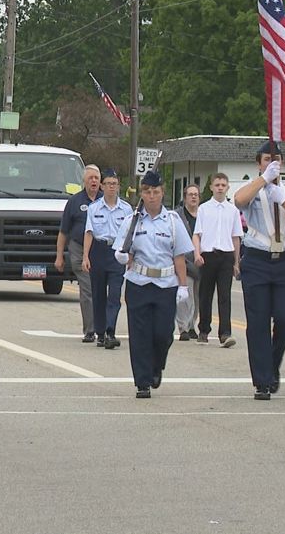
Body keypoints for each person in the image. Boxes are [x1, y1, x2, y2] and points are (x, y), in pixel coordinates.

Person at [233, 140, 285, 400]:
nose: (272, 163)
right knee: (257, 323)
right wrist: (263, 180)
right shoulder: (253, 187)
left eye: (276, 159)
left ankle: (271, 364)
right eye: (267, 159)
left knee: (284, 318)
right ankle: (262, 382)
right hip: (257, 259)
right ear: (259, 163)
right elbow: (238, 200)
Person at [113, 170, 193, 398]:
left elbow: (179, 256)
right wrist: (121, 257)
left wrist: (183, 285)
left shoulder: (173, 221)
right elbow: (123, 251)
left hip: (166, 284)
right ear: (142, 194)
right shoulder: (132, 221)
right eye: (147, 192)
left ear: (162, 193)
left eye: (155, 192)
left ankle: (157, 366)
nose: (151, 196)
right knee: (139, 334)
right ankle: (142, 381)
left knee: (163, 333)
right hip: (139, 282)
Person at [82, 168, 133, 349]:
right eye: (108, 184)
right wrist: (85, 256)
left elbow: (130, 235)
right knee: (98, 294)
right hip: (99, 250)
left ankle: (111, 331)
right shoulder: (94, 208)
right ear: (103, 187)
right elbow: (89, 232)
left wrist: (130, 257)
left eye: (115, 184)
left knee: (114, 294)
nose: (112, 187)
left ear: (119, 187)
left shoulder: (126, 209)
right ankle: (101, 332)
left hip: (117, 253)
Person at [192, 173, 243, 346]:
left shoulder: (233, 210)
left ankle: (225, 333)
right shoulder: (204, 209)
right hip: (208, 255)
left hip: (226, 256)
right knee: (205, 294)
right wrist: (197, 254)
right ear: (211, 187)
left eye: (223, 185)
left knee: (224, 295)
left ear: (227, 187)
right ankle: (204, 329)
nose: (220, 187)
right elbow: (197, 235)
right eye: (217, 184)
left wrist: (236, 262)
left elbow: (236, 237)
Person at [55, 164, 101, 342]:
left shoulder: (105, 201)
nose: (94, 181)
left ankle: (103, 328)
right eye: (91, 178)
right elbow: (63, 232)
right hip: (78, 249)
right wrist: (59, 256)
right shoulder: (75, 202)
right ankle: (90, 330)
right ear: (84, 181)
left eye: (97, 178)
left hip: (100, 250)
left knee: (100, 289)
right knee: (88, 288)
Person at [174, 184, 201, 341]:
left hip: (202, 260)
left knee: (198, 297)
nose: (193, 197)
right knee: (186, 294)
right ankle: (183, 327)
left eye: (196, 195)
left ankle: (192, 325)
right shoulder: (178, 216)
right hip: (184, 260)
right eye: (190, 194)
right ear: (185, 197)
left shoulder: (204, 214)